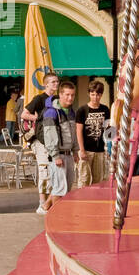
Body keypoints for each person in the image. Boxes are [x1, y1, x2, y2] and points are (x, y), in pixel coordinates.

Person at [40, 81, 79, 214]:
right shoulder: (51, 113)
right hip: (58, 155)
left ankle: (50, 208)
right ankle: (57, 216)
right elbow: (50, 137)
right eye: (67, 95)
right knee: (59, 189)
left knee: (66, 187)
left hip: (68, 154)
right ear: (60, 95)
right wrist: (55, 155)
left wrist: (75, 151)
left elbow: (73, 133)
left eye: (72, 95)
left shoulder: (71, 111)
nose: (70, 98)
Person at [23, 73, 59, 214]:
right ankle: (42, 203)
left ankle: (50, 202)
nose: (56, 84)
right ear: (46, 84)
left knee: (53, 171)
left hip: (54, 139)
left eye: (57, 81)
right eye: (53, 82)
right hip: (41, 139)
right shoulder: (39, 99)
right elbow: (24, 114)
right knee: (44, 171)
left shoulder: (57, 99)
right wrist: (36, 118)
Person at [75, 81, 109, 188]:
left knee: (98, 180)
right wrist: (82, 150)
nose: (95, 97)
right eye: (93, 94)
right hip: (86, 150)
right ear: (89, 94)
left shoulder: (105, 109)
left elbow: (109, 129)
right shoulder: (82, 110)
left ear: (101, 95)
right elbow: (78, 131)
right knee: (84, 179)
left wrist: (109, 148)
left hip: (100, 150)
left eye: (98, 94)